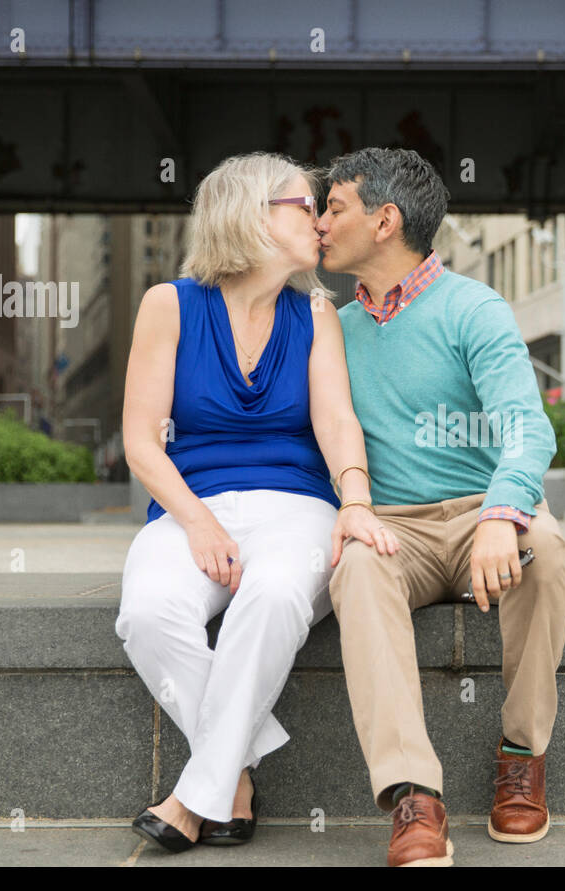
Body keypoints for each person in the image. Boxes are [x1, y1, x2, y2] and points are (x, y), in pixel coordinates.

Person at [113, 152, 394, 853]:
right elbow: (142, 442)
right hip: (190, 506)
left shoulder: (315, 314)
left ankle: (190, 799)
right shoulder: (168, 305)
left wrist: (355, 501)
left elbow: (335, 422)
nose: (324, 222)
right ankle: (232, 771)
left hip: (296, 505)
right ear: (254, 214)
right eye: (309, 206)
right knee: (148, 614)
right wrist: (200, 522)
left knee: (272, 596)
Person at [316, 146, 565, 866]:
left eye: (334, 207)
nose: (320, 223)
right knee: (357, 567)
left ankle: (522, 753)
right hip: (392, 524)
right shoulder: (332, 328)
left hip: (476, 511)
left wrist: (500, 514)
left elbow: (526, 426)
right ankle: (414, 796)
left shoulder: (475, 309)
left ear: (385, 220)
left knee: (544, 551)